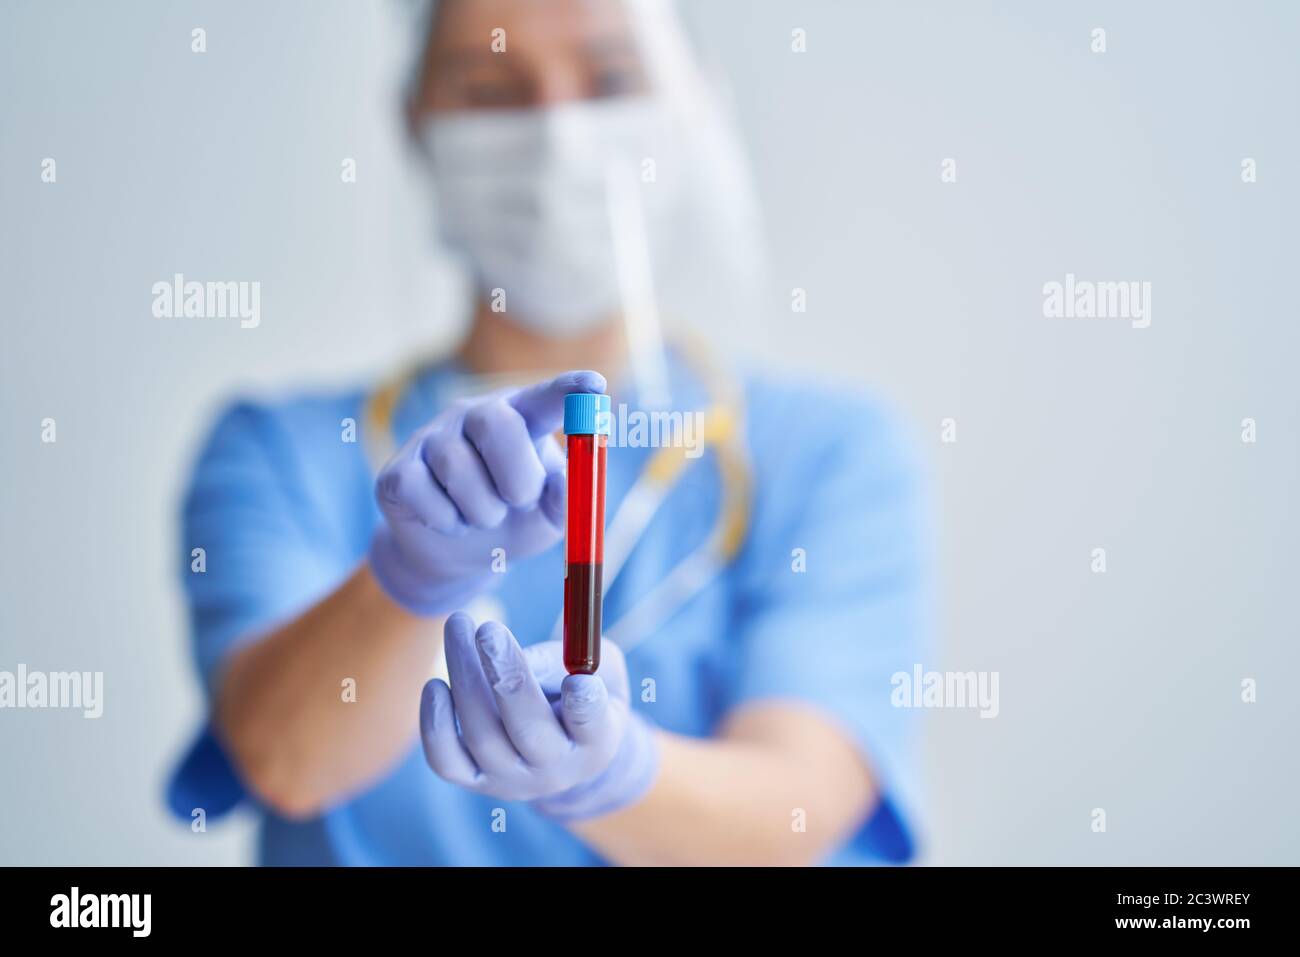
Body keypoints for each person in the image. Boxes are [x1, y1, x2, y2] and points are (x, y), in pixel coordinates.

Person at [167, 0, 928, 866]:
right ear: (415, 120)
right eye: (490, 89)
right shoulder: (275, 450)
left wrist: (615, 774)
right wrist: (410, 578)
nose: (558, 136)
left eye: (610, 80)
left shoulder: (826, 451)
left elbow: (796, 811)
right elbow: (285, 756)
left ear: (692, 104)